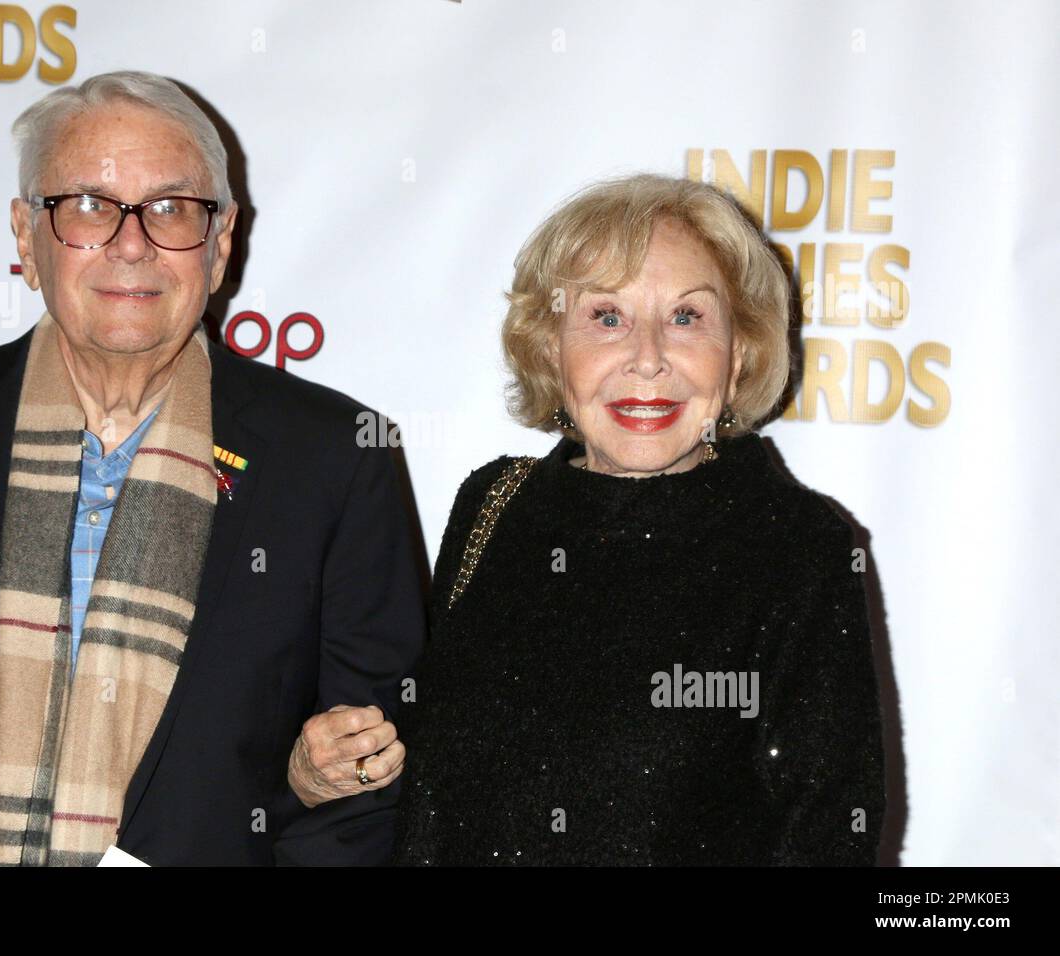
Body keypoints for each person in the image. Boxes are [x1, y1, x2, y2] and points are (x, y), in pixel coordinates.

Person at [0, 70, 422, 866]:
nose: (131, 242)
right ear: (24, 237)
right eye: (86, 207)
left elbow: (365, 790)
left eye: (173, 208)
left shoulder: (338, 457)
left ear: (221, 244)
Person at [301, 173, 887, 864]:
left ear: (741, 356)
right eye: (607, 317)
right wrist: (331, 769)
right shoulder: (497, 503)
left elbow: (829, 840)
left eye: (687, 318)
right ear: (552, 349)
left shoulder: (797, 550)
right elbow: (435, 776)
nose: (646, 358)